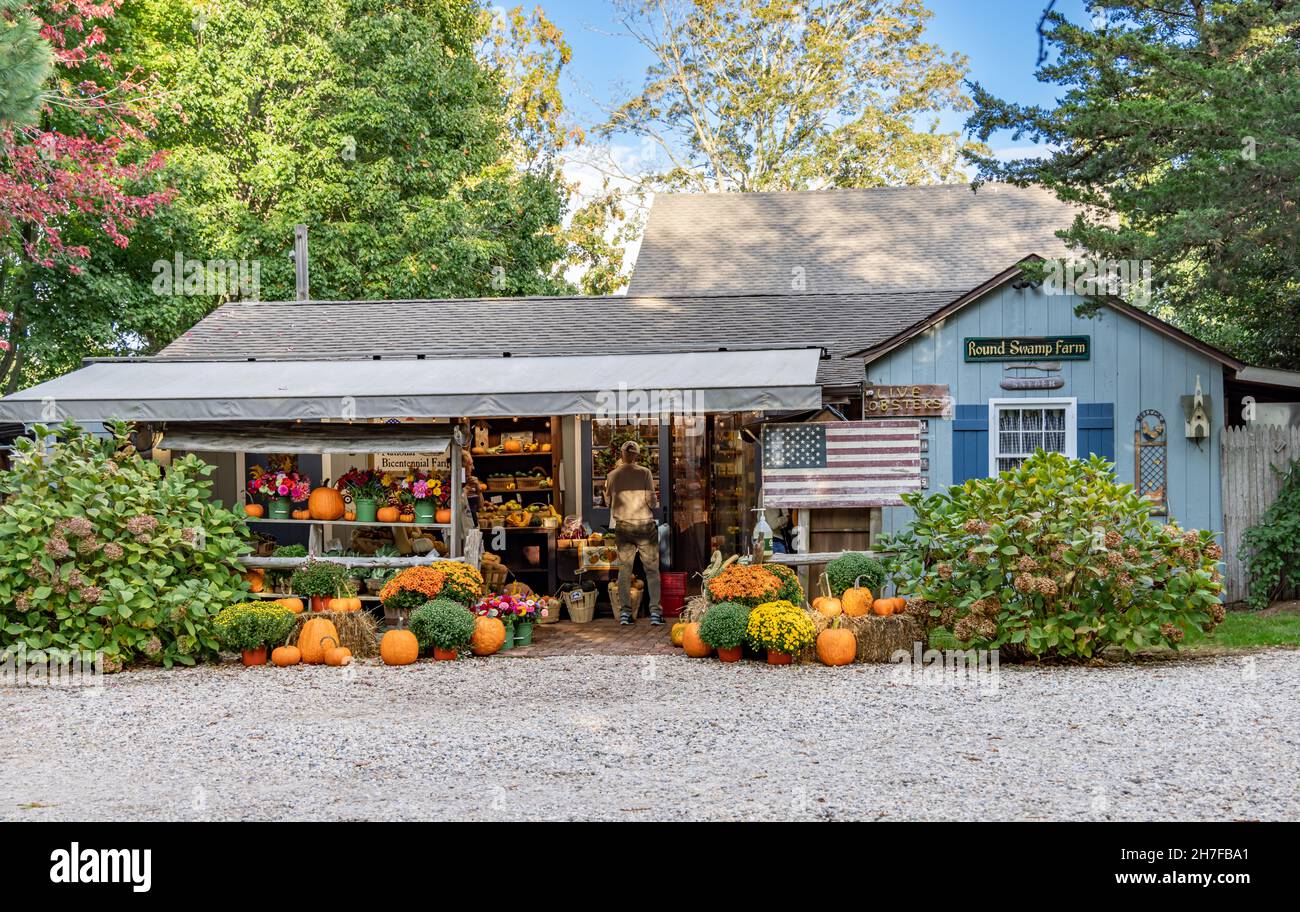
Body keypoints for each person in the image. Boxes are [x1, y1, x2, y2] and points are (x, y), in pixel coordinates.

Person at [605, 439, 662, 625]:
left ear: (622, 454)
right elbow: (652, 501)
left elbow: (608, 502)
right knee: (652, 570)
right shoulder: (645, 473)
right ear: (636, 455)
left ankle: (625, 613)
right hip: (645, 526)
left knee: (624, 569)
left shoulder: (612, 475)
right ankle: (655, 613)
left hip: (623, 527)